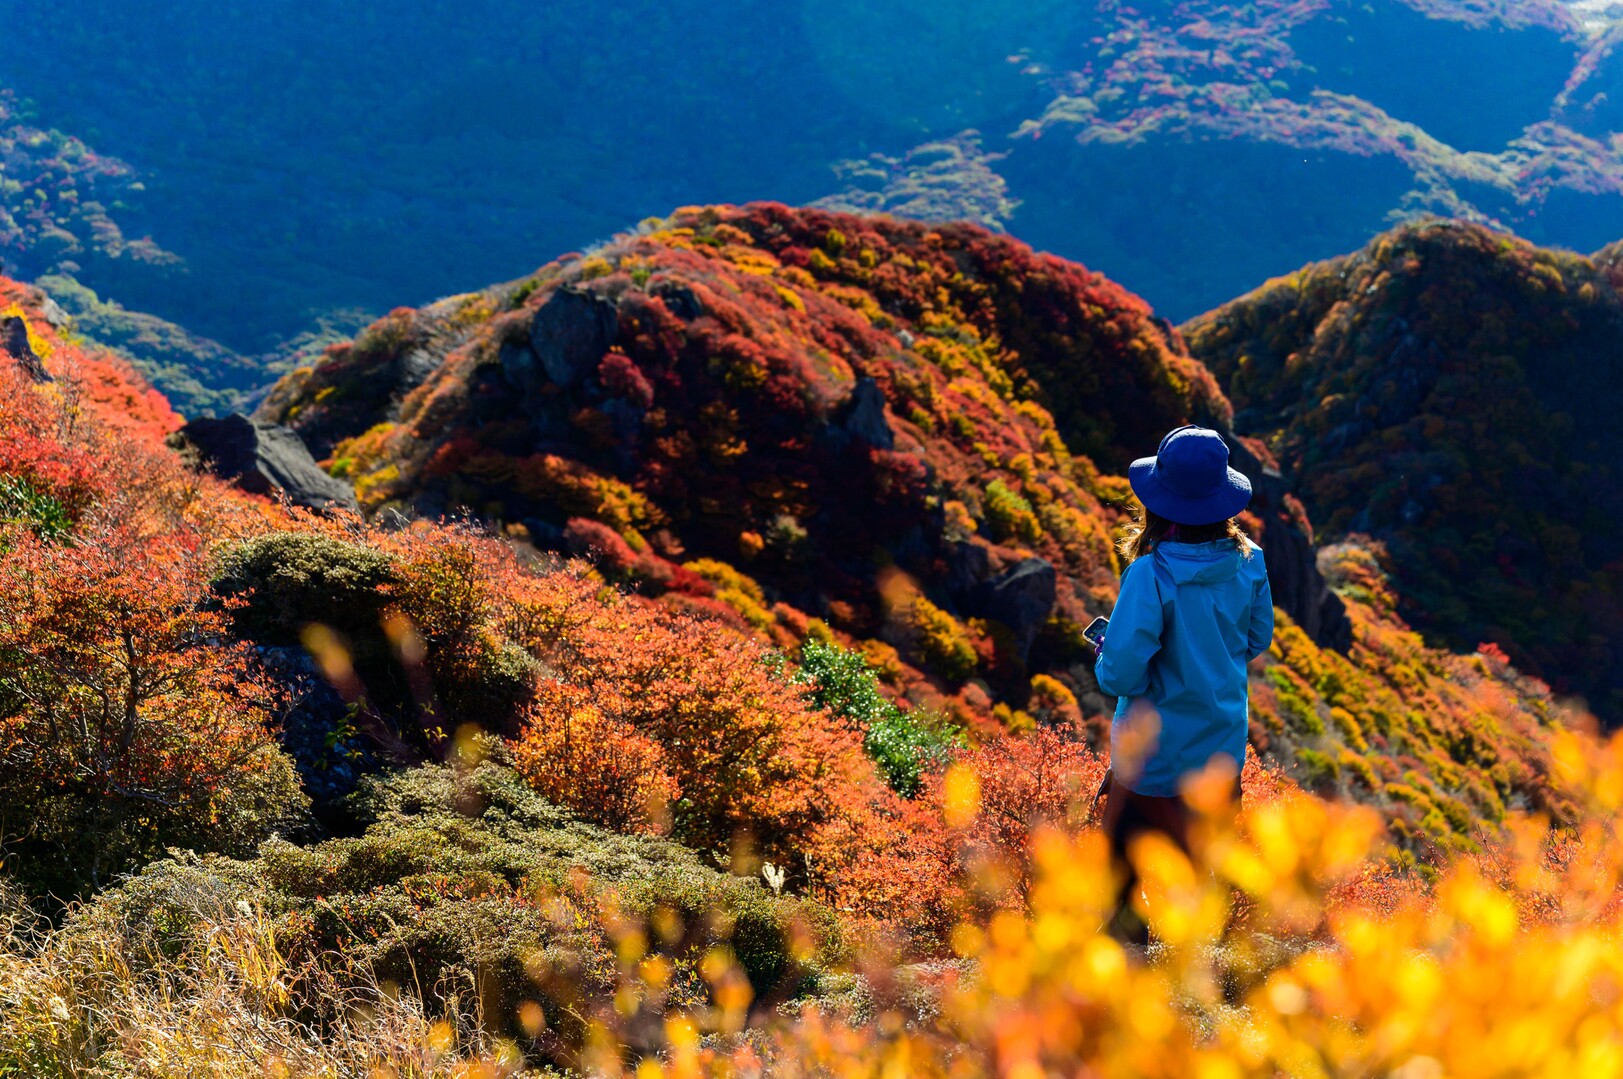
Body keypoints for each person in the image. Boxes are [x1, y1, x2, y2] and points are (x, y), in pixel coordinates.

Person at [1093, 424, 1273, 944]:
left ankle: (1130, 987)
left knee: (1123, 883)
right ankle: (1195, 989)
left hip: (1151, 763)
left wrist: (1109, 653)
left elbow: (1122, 674)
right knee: (1198, 877)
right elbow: (1256, 638)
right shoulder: (1251, 561)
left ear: (1159, 502)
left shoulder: (1151, 575)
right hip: (1219, 755)